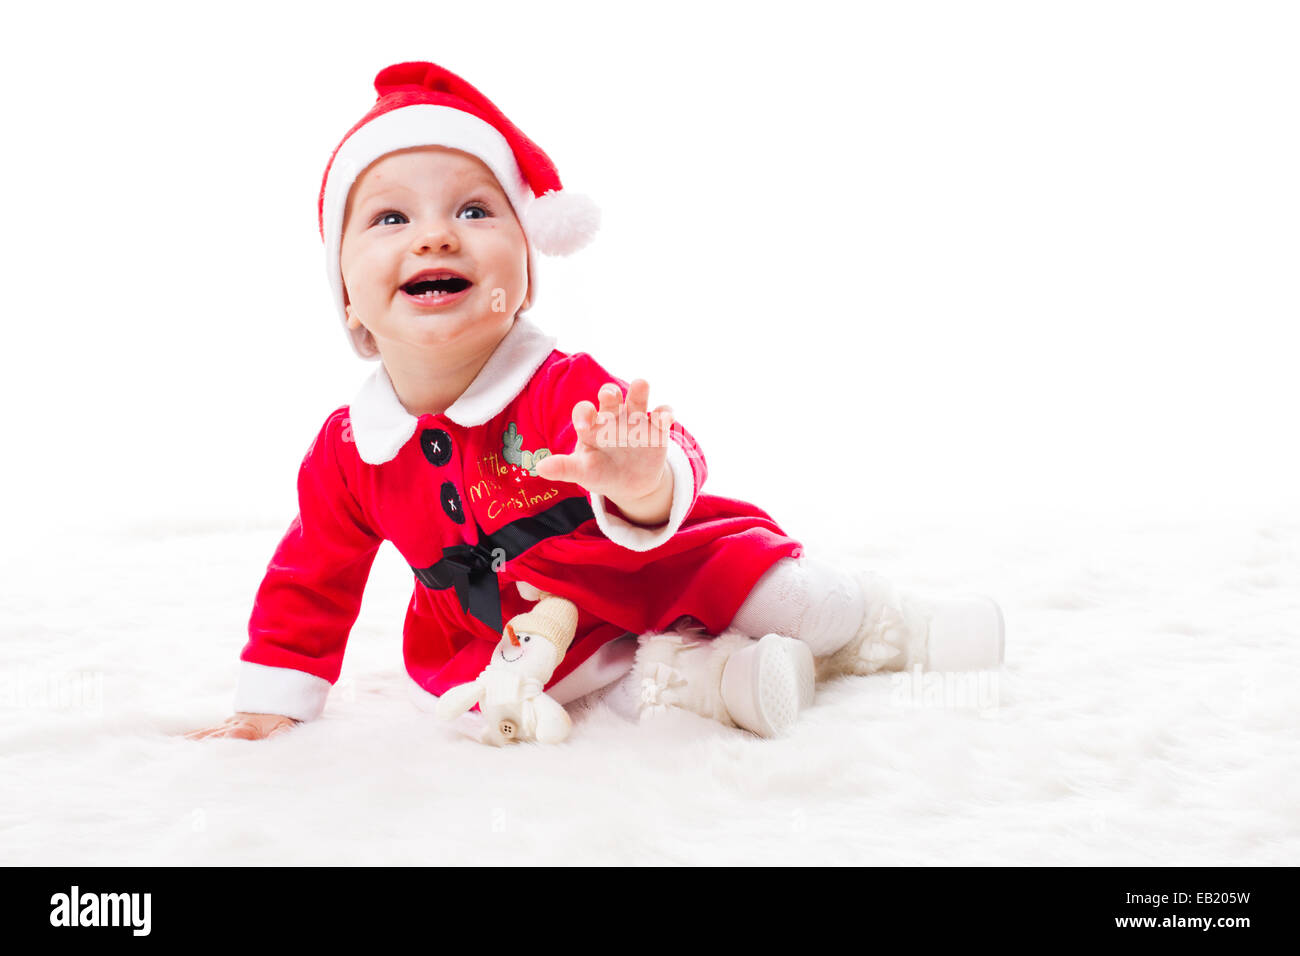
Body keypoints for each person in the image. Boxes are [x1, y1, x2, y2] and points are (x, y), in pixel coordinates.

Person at [186, 61, 1003, 745]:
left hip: (654, 562)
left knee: (801, 603)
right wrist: (270, 703)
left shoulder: (554, 384)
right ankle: (729, 677)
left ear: (524, 277)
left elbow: (664, 451)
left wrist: (639, 474)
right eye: (391, 217)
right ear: (349, 299)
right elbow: (312, 579)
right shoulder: (350, 453)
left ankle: (891, 623)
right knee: (594, 701)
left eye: (473, 210)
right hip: (516, 636)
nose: (435, 236)